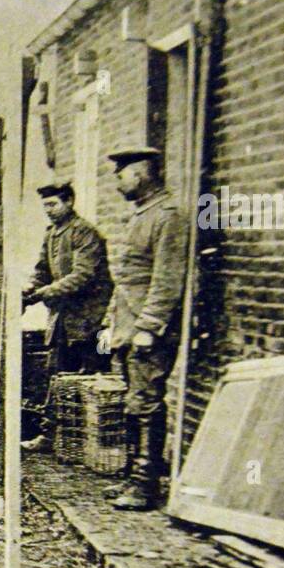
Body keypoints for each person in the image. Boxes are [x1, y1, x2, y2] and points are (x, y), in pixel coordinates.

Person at [100, 146, 187, 510]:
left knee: (147, 403)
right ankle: (131, 476)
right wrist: (112, 321)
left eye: (122, 174)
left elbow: (167, 278)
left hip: (148, 329)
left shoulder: (169, 216)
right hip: (129, 325)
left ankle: (145, 485)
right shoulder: (142, 214)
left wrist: (149, 326)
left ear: (140, 173)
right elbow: (127, 280)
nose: (118, 181)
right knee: (133, 402)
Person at [19, 179, 113, 451]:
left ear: (69, 202)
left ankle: (92, 442)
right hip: (63, 320)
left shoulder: (85, 233)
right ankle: (50, 437)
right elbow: (41, 270)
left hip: (92, 322)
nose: (48, 209)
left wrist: (44, 292)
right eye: (45, 205)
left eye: (53, 204)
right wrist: (30, 287)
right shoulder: (52, 234)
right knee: (57, 377)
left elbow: (82, 276)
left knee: (91, 378)